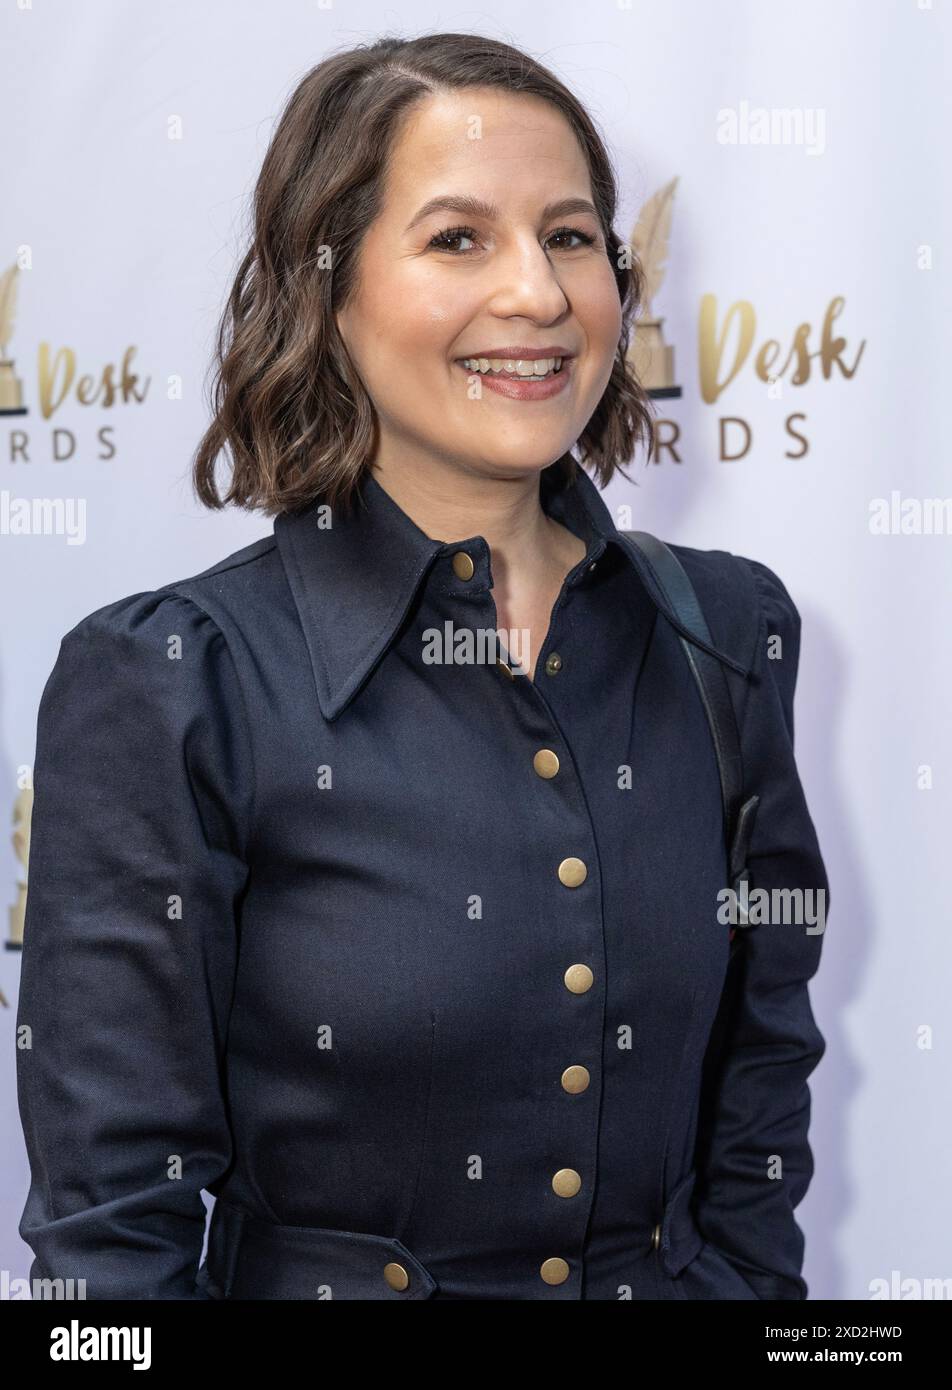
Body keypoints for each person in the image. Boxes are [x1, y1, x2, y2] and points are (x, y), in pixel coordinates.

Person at [16, 32, 828, 1301]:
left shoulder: (722, 633)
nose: (540, 294)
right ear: (326, 292)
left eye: (571, 236)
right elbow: (104, 1253)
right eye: (458, 239)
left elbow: (759, 1114)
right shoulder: (177, 680)